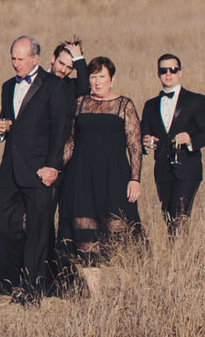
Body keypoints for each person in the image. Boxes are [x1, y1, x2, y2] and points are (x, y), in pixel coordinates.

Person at [0, 35, 73, 304]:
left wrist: (53, 167)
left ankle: (33, 289)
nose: (16, 63)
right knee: (3, 222)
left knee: (39, 230)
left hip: (41, 170)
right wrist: (1, 130)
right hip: (11, 169)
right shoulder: (7, 86)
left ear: (36, 58)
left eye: (21, 58)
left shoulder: (54, 86)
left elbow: (61, 129)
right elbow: (9, 121)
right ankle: (28, 272)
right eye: (13, 58)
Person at [56, 57, 143, 294]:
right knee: (85, 234)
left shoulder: (124, 105)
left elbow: (135, 146)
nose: (96, 82)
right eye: (93, 77)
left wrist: (135, 179)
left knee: (118, 233)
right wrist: (56, 168)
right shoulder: (80, 103)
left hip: (114, 177)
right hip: (81, 177)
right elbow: (70, 142)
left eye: (101, 76)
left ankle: (126, 293)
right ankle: (95, 296)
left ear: (112, 79)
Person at [139, 54, 205, 239]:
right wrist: (146, 142)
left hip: (188, 169)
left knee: (179, 215)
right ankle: (178, 252)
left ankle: (180, 253)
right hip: (162, 170)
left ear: (180, 73)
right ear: (158, 74)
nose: (168, 74)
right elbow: (144, 133)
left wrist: (190, 140)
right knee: (168, 216)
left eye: (173, 70)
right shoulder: (150, 105)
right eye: (163, 70)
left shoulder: (195, 100)